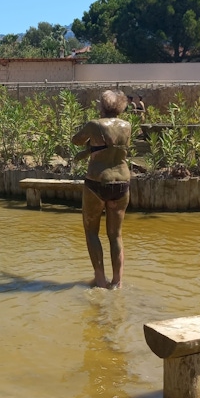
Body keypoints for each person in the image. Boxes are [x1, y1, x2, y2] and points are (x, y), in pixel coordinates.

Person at [71, 90, 133, 289]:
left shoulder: (94, 124)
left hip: (97, 183)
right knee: (115, 235)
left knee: (92, 232)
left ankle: (100, 280)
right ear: (120, 106)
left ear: (102, 106)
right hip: (122, 183)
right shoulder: (127, 126)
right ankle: (117, 282)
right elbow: (116, 149)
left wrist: (90, 144)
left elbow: (76, 140)